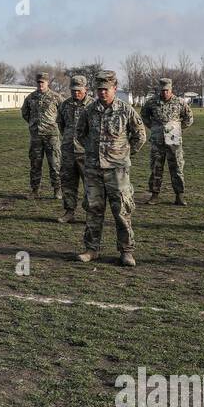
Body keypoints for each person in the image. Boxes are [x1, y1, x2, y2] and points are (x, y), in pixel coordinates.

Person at [74, 70, 146, 266]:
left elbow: (140, 136)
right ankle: (91, 249)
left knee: (121, 211)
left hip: (117, 171)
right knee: (93, 210)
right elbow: (80, 133)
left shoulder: (126, 110)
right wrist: (92, 151)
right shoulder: (89, 111)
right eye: (99, 89)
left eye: (106, 89)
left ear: (114, 88)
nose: (102, 93)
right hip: (94, 170)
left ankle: (126, 251)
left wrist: (124, 155)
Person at [140, 77, 194, 205]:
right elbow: (144, 115)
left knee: (177, 167)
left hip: (174, 140)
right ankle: (154, 195)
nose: (164, 93)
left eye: (167, 90)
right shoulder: (152, 102)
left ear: (171, 89)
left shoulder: (180, 102)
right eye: (162, 90)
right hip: (157, 140)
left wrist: (178, 128)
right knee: (156, 167)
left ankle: (179, 195)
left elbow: (189, 118)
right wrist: (153, 127)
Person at [56, 74, 91, 223]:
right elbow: (61, 125)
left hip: (87, 152)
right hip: (68, 150)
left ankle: (91, 214)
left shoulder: (93, 106)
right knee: (68, 183)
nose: (76, 93)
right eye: (73, 90)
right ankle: (69, 211)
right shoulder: (65, 105)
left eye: (79, 90)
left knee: (90, 184)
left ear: (86, 89)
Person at [20, 72, 61, 200]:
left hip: (51, 136)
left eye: (43, 82)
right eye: (38, 82)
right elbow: (25, 112)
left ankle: (57, 190)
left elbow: (63, 113)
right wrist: (33, 124)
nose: (40, 84)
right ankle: (35, 190)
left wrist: (53, 125)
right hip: (36, 136)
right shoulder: (31, 97)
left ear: (48, 83)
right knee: (35, 164)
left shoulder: (56, 97)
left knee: (55, 164)